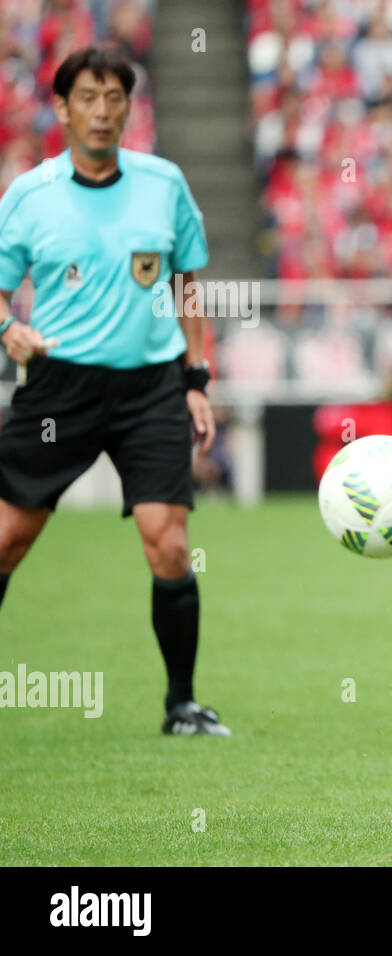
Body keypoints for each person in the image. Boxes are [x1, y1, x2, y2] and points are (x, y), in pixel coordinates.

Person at [0, 46, 227, 736]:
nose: (102, 112)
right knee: (8, 540)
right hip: (59, 389)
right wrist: (9, 326)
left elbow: (188, 284)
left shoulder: (163, 184)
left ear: (129, 107)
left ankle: (181, 704)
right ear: (64, 109)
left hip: (150, 387)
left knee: (168, 543)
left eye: (115, 98)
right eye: (88, 99)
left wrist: (195, 381)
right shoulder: (30, 195)